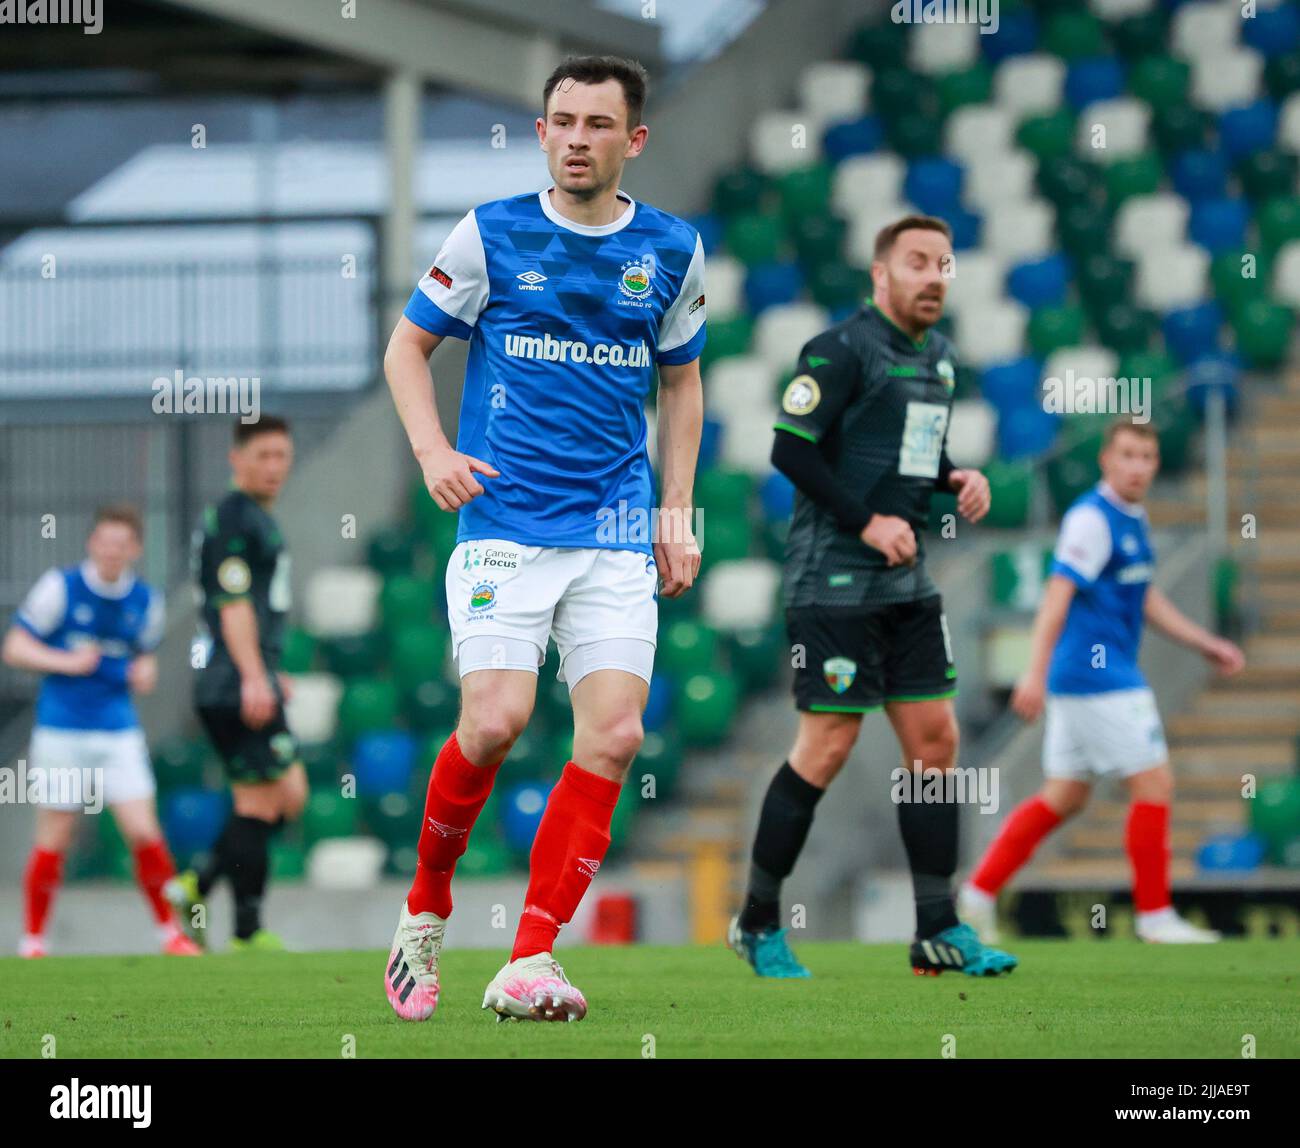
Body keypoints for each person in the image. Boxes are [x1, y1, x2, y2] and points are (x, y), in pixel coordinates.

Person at [382, 54, 705, 1022]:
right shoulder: (490, 234)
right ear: (541, 132)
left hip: (612, 524)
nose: (575, 139)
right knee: (493, 722)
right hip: (505, 519)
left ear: (632, 140)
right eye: (560, 121)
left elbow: (682, 382)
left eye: (596, 125)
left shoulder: (674, 250)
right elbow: (408, 346)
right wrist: (433, 447)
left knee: (614, 733)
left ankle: (530, 955)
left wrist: (675, 509)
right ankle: (427, 905)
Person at [729, 214, 1017, 979]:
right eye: (916, 261)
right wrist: (867, 520)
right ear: (880, 275)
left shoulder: (942, 360)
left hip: (906, 584)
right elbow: (790, 447)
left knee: (936, 743)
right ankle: (758, 921)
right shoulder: (839, 349)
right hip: (833, 583)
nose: (932, 276)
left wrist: (954, 476)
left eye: (943, 263)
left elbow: (915, 449)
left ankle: (937, 929)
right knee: (827, 746)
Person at [959, 419, 1246, 943]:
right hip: (1101, 678)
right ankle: (1156, 915)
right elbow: (1056, 596)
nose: (1138, 467)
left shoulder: (1130, 519)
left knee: (1065, 797)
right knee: (1154, 783)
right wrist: (1034, 672)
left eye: (1147, 457)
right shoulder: (1090, 521)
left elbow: (1145, 595)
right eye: (1128, 455)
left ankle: (977, 894)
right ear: (1105, 461)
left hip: (1090, 679)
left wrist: (1203, 642)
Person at [6, 504, 200, 958]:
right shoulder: (60, 587)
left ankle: (170, 935)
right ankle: (33, 941)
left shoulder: (145, 601)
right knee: (55, 834)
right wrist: (65, 662)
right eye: (104, 542)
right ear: (92, 543)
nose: (112, 551)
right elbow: (15, 647)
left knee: (143, 831)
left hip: (117, 732)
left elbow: (144, 654)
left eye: (122, 544)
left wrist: (145, 672)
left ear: (134, 549)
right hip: (61, 730)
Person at [170, 416, 308, 951]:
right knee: (261, 801)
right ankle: (246, 930)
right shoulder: (233, 518)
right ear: (237, 458)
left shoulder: (252, 517)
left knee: (285, 794)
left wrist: (269, 673)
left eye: (282, 455)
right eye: (263, 455)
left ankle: (197, 885)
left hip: (243, 676)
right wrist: (255, 677)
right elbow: (233, 606)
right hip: (233, 682)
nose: (274, 466)